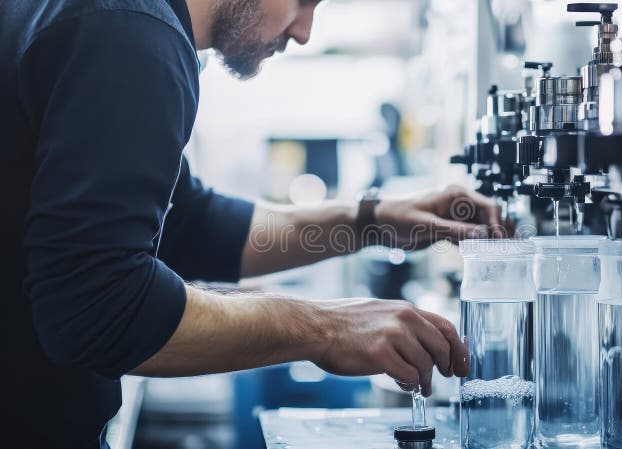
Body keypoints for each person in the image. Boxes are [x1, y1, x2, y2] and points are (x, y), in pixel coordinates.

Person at [0, 0, 506, 447]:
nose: (304, 30)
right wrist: (326, 329)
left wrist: (369, 222)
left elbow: (190, 225)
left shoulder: (123, 21)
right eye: (304, 2)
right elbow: (98, 307)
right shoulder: (131, 33)